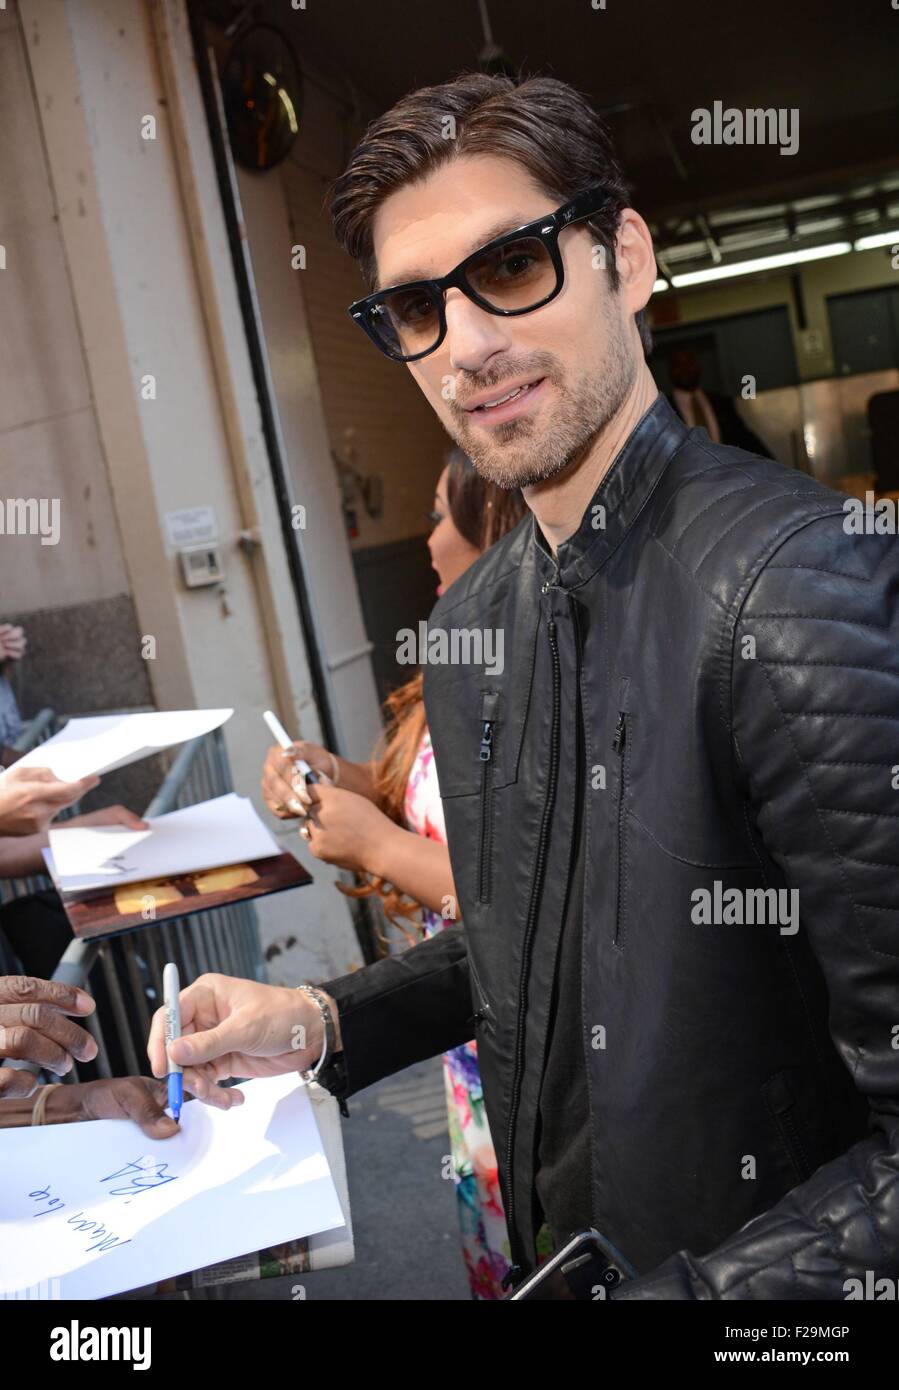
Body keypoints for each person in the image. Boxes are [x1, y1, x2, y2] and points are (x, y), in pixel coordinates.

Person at [150, 72, 899, 1301]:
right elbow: (527, 942)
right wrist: (321, 1020)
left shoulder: (789, 586)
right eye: (415, 309)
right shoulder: (485, 616)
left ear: (626, 256)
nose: (467, 349)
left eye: (510, 268)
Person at [260, 449, 526, 1298]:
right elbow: (415, 797)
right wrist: (332, 776)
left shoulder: (539, 680)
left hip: (533, 1046)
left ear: (498, 531)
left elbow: (525, 900)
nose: (428, 539)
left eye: (443, 517)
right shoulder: (458, 655)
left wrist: (374, 846)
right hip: (465, 1037)